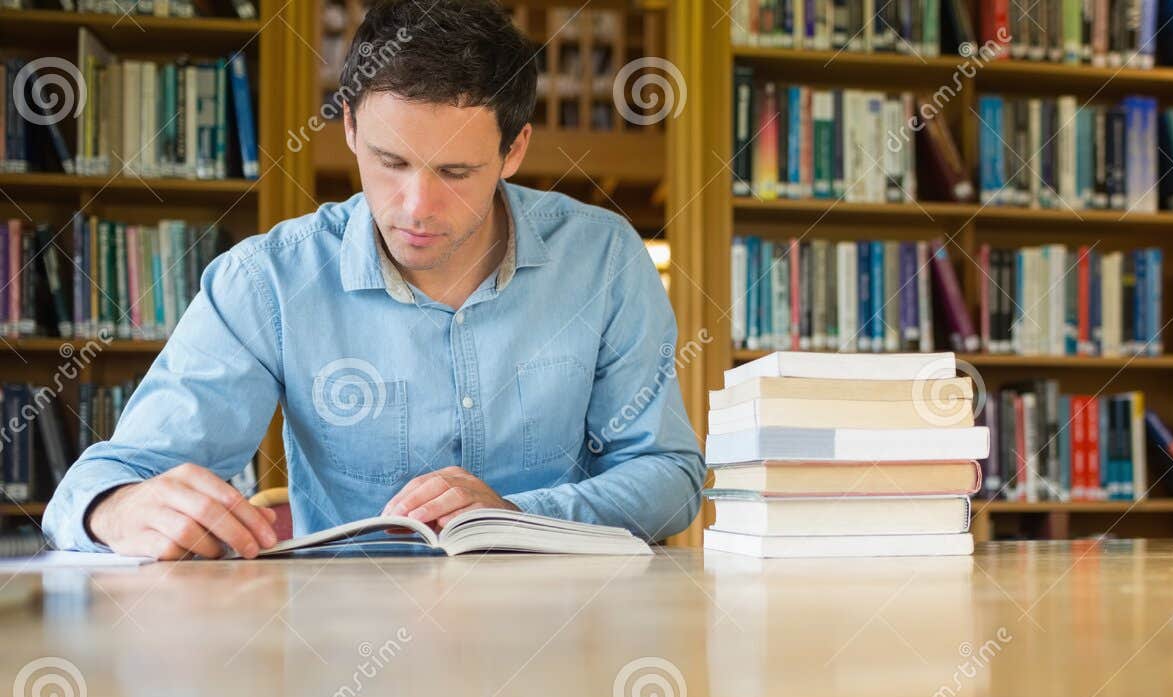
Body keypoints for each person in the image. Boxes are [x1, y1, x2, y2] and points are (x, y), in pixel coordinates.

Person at [43, 0, 705, 559]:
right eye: (390, 161)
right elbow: (107, 477)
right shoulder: (269, 279)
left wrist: (517, 515)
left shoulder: (605, 259)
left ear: (515, 150)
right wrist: (118, 508)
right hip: (344, 654)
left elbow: (670, 475)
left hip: (562, 639)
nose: (416, 207)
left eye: (455, 173)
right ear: (351, 126)